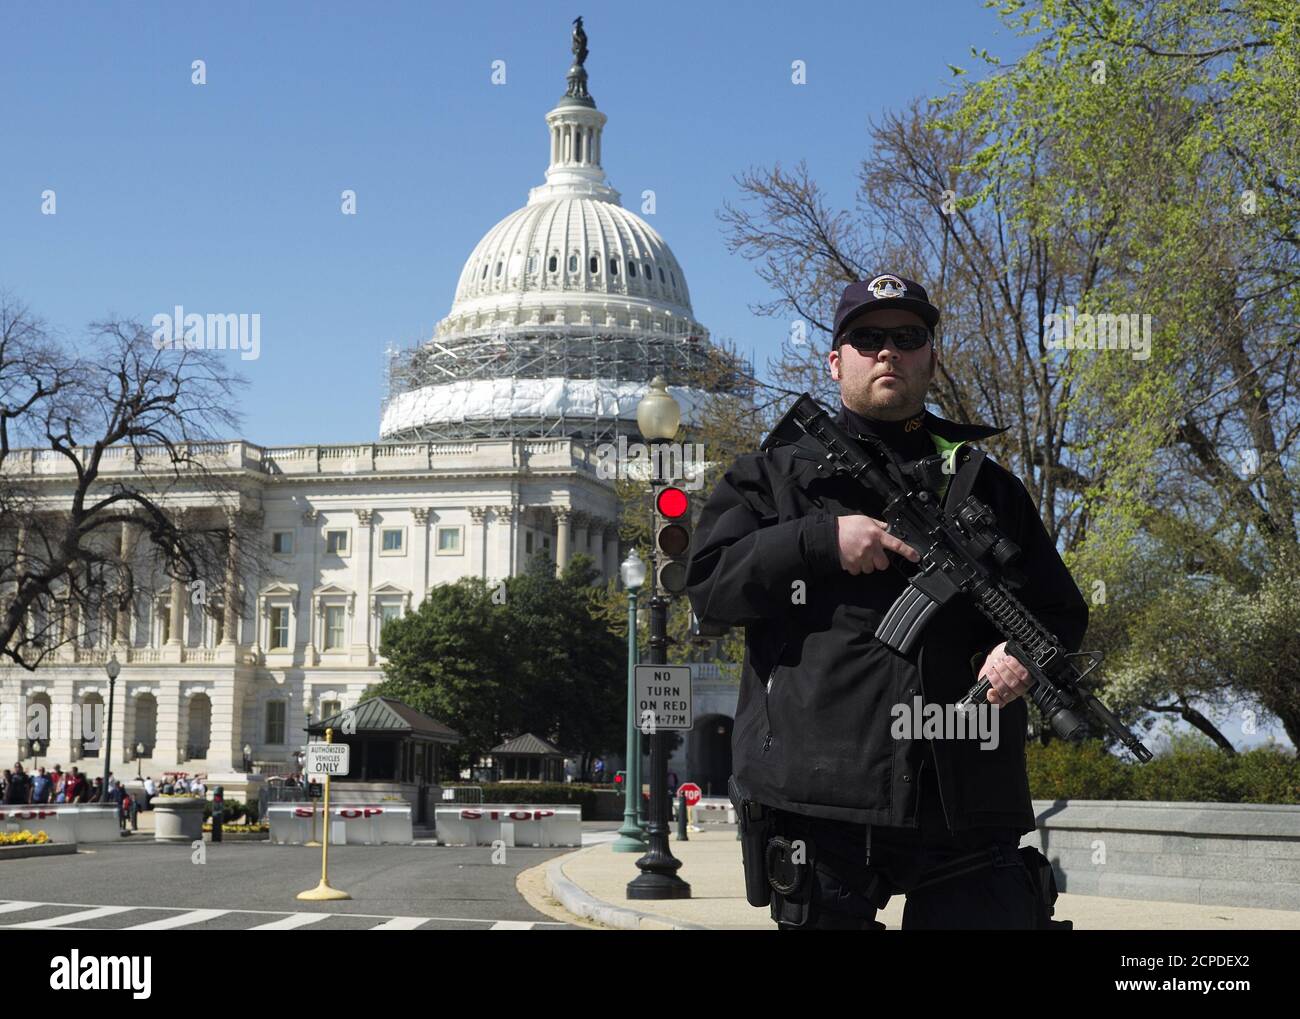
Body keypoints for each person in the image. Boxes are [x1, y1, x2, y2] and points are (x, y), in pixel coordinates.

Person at [687, 274, 1087, 930]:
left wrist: (1021, 656)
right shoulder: (774, 478)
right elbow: (709, 587)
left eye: (908, 337)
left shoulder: (989, 487)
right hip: (822, 797)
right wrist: (817, 541)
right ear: (836, 359)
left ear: (931, 356)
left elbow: (1061, 611)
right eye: (868, 337)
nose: (888, 352)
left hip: (967, 793)